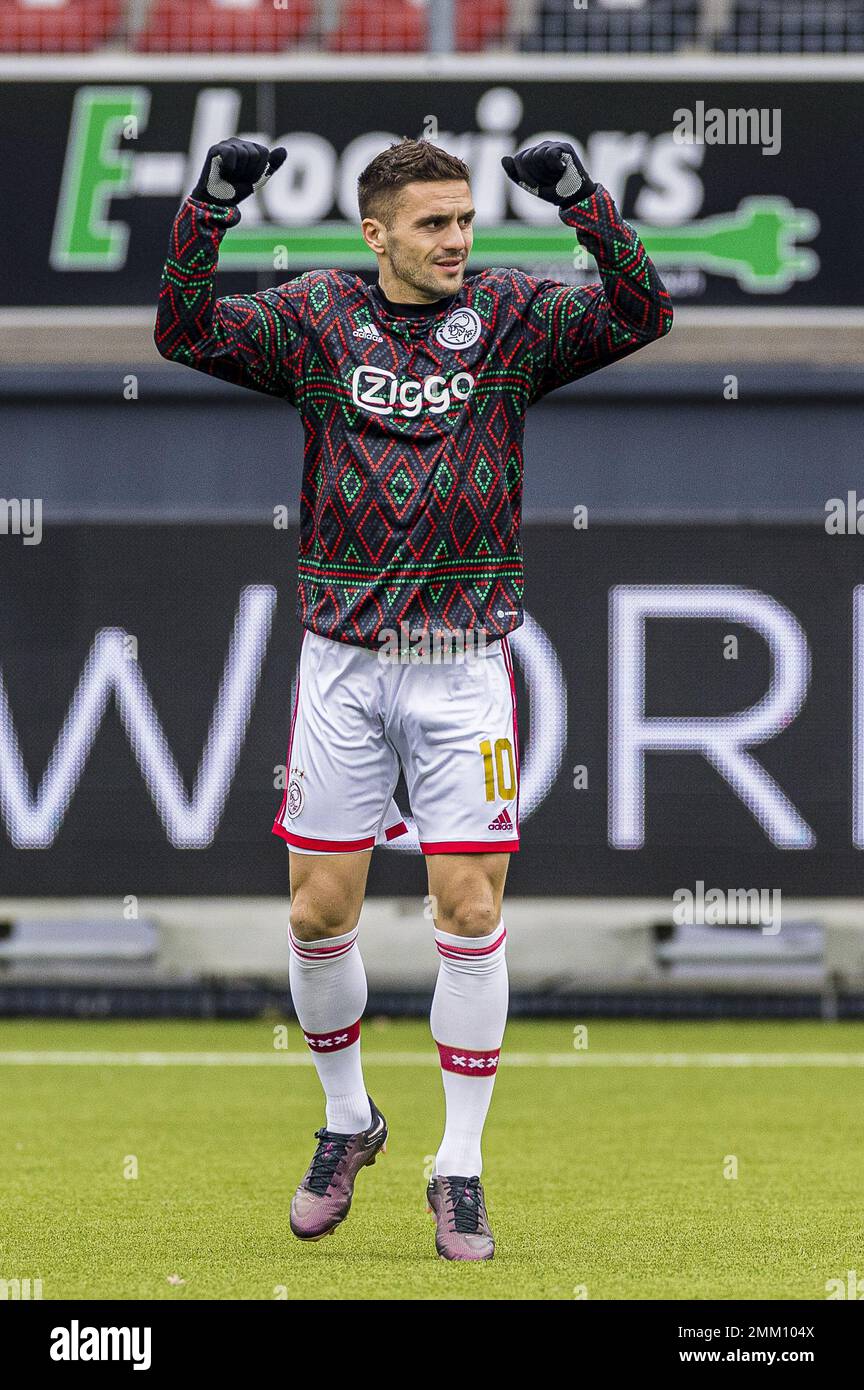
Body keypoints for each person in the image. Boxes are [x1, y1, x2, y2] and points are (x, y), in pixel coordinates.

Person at [154, 133, 673, 1261]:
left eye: (466, 219)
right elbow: (183, 330)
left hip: (464, 666)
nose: (457, 240)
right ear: (375, 233)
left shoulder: (515, 317)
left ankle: (462, 1164)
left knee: (472, 912)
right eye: (433, 223)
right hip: (341, 664)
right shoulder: (312, 317)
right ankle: (349, 1120)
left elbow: (641, 313)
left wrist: (587, 205)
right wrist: (209, 207)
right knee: (317, 914)